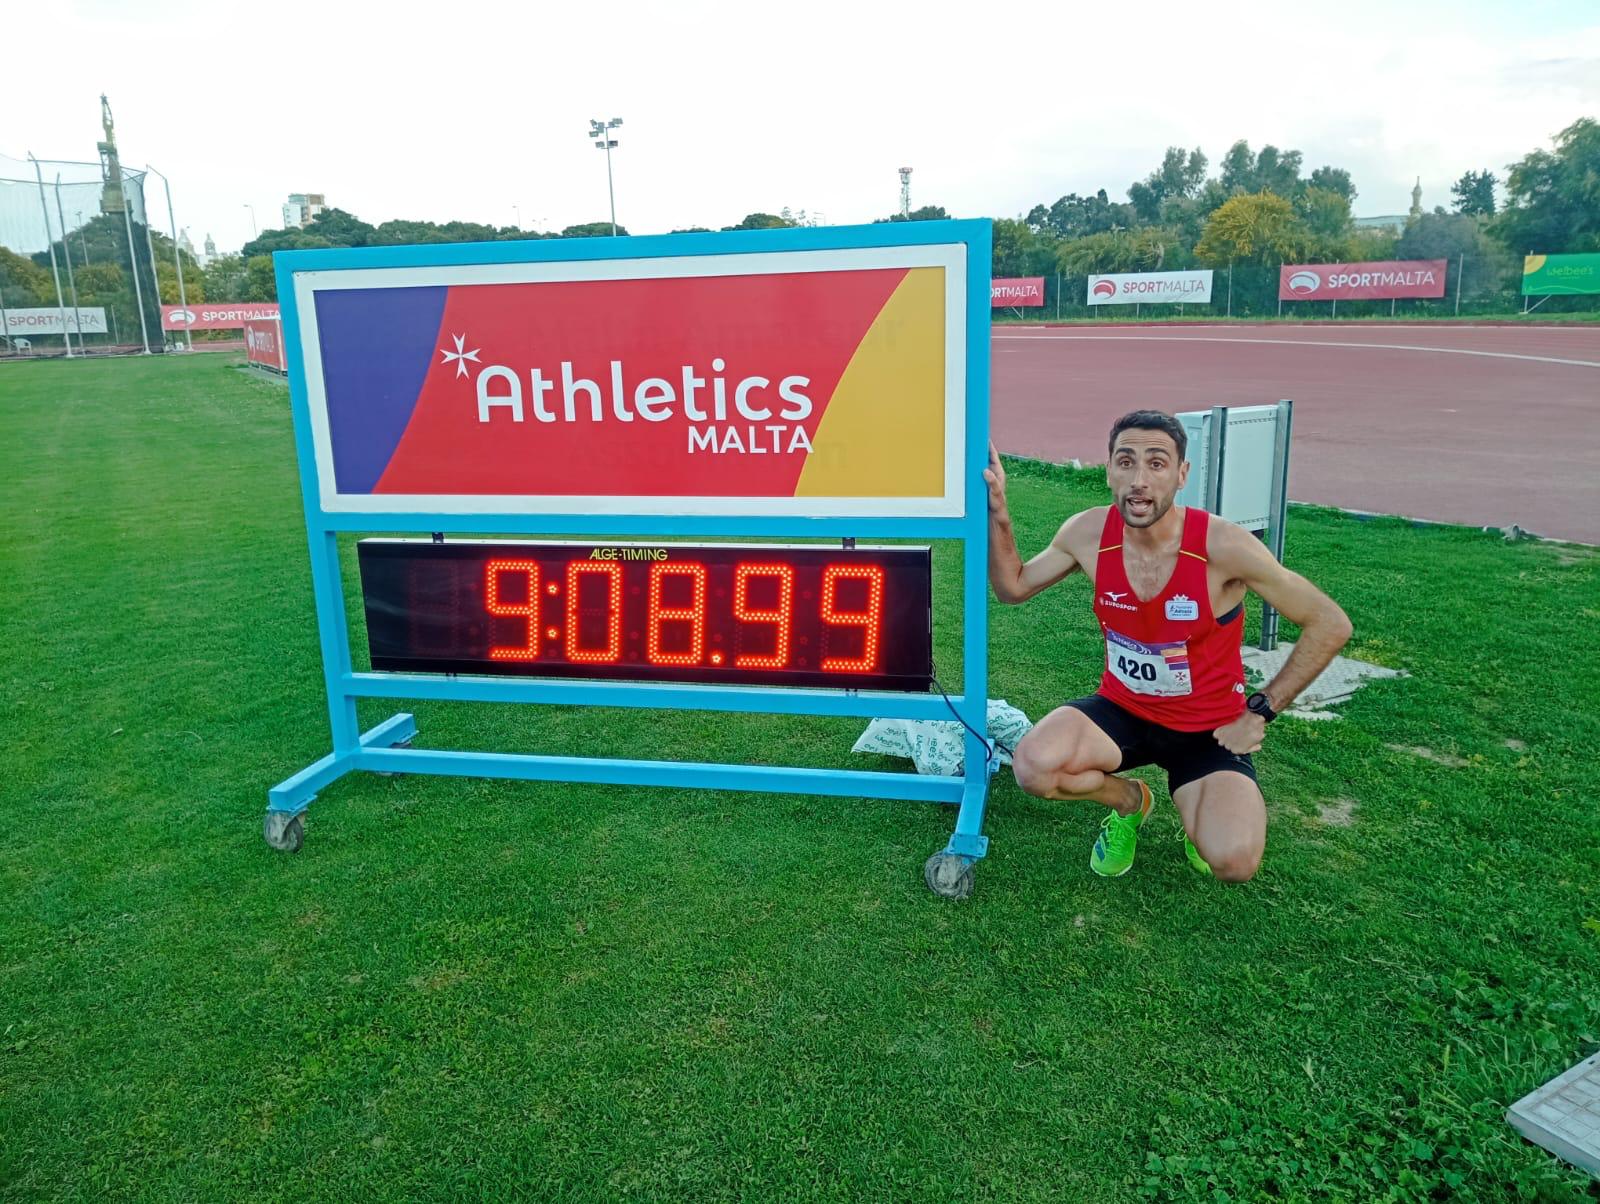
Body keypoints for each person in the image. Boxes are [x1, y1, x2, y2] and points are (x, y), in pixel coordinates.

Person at [986, 410, 1352, 883]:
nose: (1139, 480)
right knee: (1034, 767)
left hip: (1208, 729)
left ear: (1181, 475)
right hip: (1124, 710)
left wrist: (1259, 712)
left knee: (1233, 861)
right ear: (1109, 470)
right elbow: (1013, 587)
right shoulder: (1088, 534)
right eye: (1126, 462)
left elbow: (1329, 623)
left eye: (1156, 464)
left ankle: (1200, 817)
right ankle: (1131, 801)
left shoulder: (1223, 546)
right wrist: (999, 513)